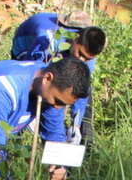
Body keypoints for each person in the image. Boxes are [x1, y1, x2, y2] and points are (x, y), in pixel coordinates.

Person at [10, 10, 106, 148]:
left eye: (87, 58)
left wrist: (76, 124)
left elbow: (81, 85)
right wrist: (32, 110)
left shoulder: (87, 54)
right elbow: (31, 73)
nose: (82, 60)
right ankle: (16, 135)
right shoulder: (47, 40)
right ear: (75, 39)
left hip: (59, 52)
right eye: (80, 54)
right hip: (25, 49)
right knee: (45, 90)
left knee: (79, 89)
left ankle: (85, 142)